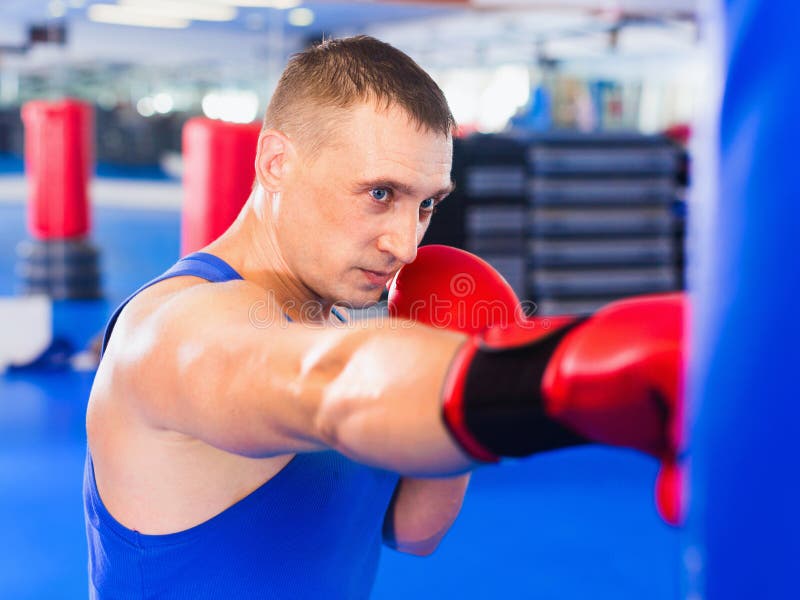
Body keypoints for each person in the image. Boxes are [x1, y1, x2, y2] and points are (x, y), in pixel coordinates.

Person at [84, 36, 683, 599]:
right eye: (379, 194)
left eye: (425, 204)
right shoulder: (176, 329)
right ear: (274, 162)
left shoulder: (334, 322)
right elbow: (328, 386)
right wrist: (564, 376)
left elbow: (413, 531)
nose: (407, 244)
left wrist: (453, 346)